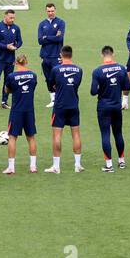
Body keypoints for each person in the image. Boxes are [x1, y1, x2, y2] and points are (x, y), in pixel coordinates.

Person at [91, 45, 130, 172]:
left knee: (105, 134)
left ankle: (109, 165)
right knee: (118, 133)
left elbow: (93, 91)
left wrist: (102, 88)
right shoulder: (121, 69)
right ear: (113, 54)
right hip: (116, 106)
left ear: (102, 55)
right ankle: (122, 161)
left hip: (103, 107)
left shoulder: (97, 71)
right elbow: (127, 87)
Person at [46, 46, 85, 174]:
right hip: (74, 104)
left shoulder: (56, 69)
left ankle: (56, 167)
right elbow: (76, 84)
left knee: (57, 135)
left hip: (60, 106)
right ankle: (78, 165)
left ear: (61, 55)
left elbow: (52, 85)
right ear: (71, 55)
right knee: (76, 135)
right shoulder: (79, 70)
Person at [3, 54, 38, 174]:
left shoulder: (11, 76)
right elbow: (32, 88)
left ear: (15, 63)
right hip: (29, 110)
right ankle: (33, 166)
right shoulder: (33, 75)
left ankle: (11, 167)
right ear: (26, 62)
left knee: (12, 137)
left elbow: (6, 90)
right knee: (31, 137)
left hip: (16, 110)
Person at [0, 9, 23, 108]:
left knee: (8, 80)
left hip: (10, 59)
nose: (12, 20)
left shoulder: (16, 28)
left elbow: (20, 41)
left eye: (13, 18)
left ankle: (4, 101)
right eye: (10, 18)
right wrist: (6, 46)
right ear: (5, 16)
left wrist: (16, 47)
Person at [37, 3, 66, 108]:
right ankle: (53, 99)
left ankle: (60, 98)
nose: (50, 13)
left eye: (52, 11)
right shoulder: (42, 24)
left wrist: (46, 37)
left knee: (58, 78)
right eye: (48, 11)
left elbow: (60, 38)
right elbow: (40, 40)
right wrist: (53, 37)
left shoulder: (61, 22)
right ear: (46, 11)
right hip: (45, 56)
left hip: (56, 56)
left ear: (55, 10)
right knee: (48, 78)